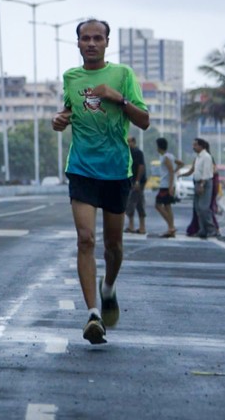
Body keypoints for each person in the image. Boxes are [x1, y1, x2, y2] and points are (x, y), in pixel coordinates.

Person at [51, 18, 149, 345]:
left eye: (97, 38)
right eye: (85, 38)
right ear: (77, 43)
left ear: (107, 43)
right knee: (85, 239)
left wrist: (118, 98)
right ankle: (93, 313)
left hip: (116, 170)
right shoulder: (70, 78)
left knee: (113, 246)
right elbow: (67, 112)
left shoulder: (123, 75)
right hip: (81, 168)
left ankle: (109, 288)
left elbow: (144, 121)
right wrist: (59, 120)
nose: (91, 43)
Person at [178, 138, 218, 239]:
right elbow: (193, 170)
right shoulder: (198, 157)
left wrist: (202, 185)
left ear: (201, 146)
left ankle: (212, 229)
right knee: (198, 208)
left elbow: (206, 173)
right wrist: (182, 175)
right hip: (197, 183)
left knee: (204, 208)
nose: (193, 147)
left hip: (204, 183)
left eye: (195, 145)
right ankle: (202, 230)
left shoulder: (206, 157)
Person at [153, 137, 177, 238]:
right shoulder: (169, 156)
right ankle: (170, 228)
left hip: (165, 185)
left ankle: (171, 227)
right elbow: (180, 164)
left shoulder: (165, 157)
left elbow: (171, 170)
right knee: (167, 206)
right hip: (167, 184)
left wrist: (170, 186)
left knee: (158, 205)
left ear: (159, 146)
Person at [124, 136, 147, 235]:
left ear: (133, 142)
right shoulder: (128, 152)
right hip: (131, 181)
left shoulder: (137, 152)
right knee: (134, 203)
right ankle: (132, 226)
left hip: (137, 182)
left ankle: (140, 227)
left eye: (129, 142)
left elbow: (141, 166)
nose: (127, 144)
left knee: (137, 203)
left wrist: (137, 181)